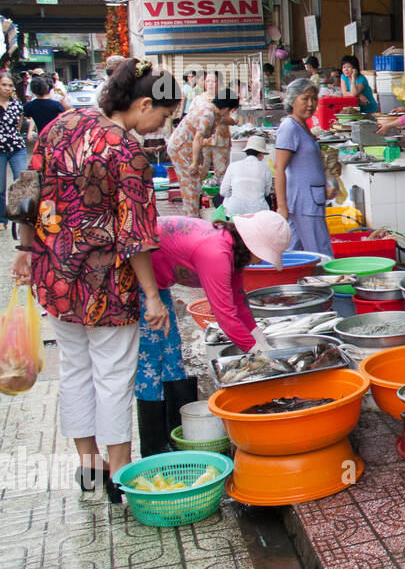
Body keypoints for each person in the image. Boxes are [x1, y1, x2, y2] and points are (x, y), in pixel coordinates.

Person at [12, 59, 180, 503]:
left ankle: (89, 470)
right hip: (107, 289)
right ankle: (122, 478)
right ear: (143, 103)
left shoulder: (60, 124)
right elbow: (137, 236)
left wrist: (25, 250)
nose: (158, 126)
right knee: (112, 377)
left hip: (56, 277)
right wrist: (152, 297)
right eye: (161, 116)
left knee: (75, 371)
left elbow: (25, 191)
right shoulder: (128, 152)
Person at [135, 211, 291, 457]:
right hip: (136, 279)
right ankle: (154, 448)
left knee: (172, 356)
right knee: (152, 361)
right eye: (261, 255)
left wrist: (260, 339)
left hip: (157, 284)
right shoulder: (216, 253)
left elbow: (239, 302)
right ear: (252, 245)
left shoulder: (232, 250)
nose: (260, 261)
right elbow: (225, 315)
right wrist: (257, 353)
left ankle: (177, 434)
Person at [275, 78, 335, 257]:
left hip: (310, 200)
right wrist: (281, 206)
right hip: (304, 203)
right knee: (321, 253)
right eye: (305, 99)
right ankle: (325, 283)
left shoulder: (302, 126)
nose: (311, 104)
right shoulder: (289, 127)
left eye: (314, 98)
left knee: (297, 252)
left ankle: (293, 283)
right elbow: (279, 169)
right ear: (293, 101)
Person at [167, 87, 240, 217]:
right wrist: (194, 163)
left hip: (182, 148)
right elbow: (198, 137)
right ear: (226, 108)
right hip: (181, 149)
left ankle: (192, 217)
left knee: (193, 185)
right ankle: (191, 220)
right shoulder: (208, 113)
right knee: (191, 186)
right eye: (230, 111)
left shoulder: (211, 111)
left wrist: (197, 158)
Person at [220, 135, 274, 215]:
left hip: (234, 210)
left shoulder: (233, 165)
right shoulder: (265, 167)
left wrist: (236, 193)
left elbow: (223, 191)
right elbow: (267, 192)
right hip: (258, 210)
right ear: (260, 154)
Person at [0, 71, 28, 207]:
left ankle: (22, 216)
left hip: (16, 147)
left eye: (10, 86)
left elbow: (19, 126)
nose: (7, 88)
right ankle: (2, 218)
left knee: (22, 184)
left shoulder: (17, 105)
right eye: (4, 85)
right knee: (0, 187)